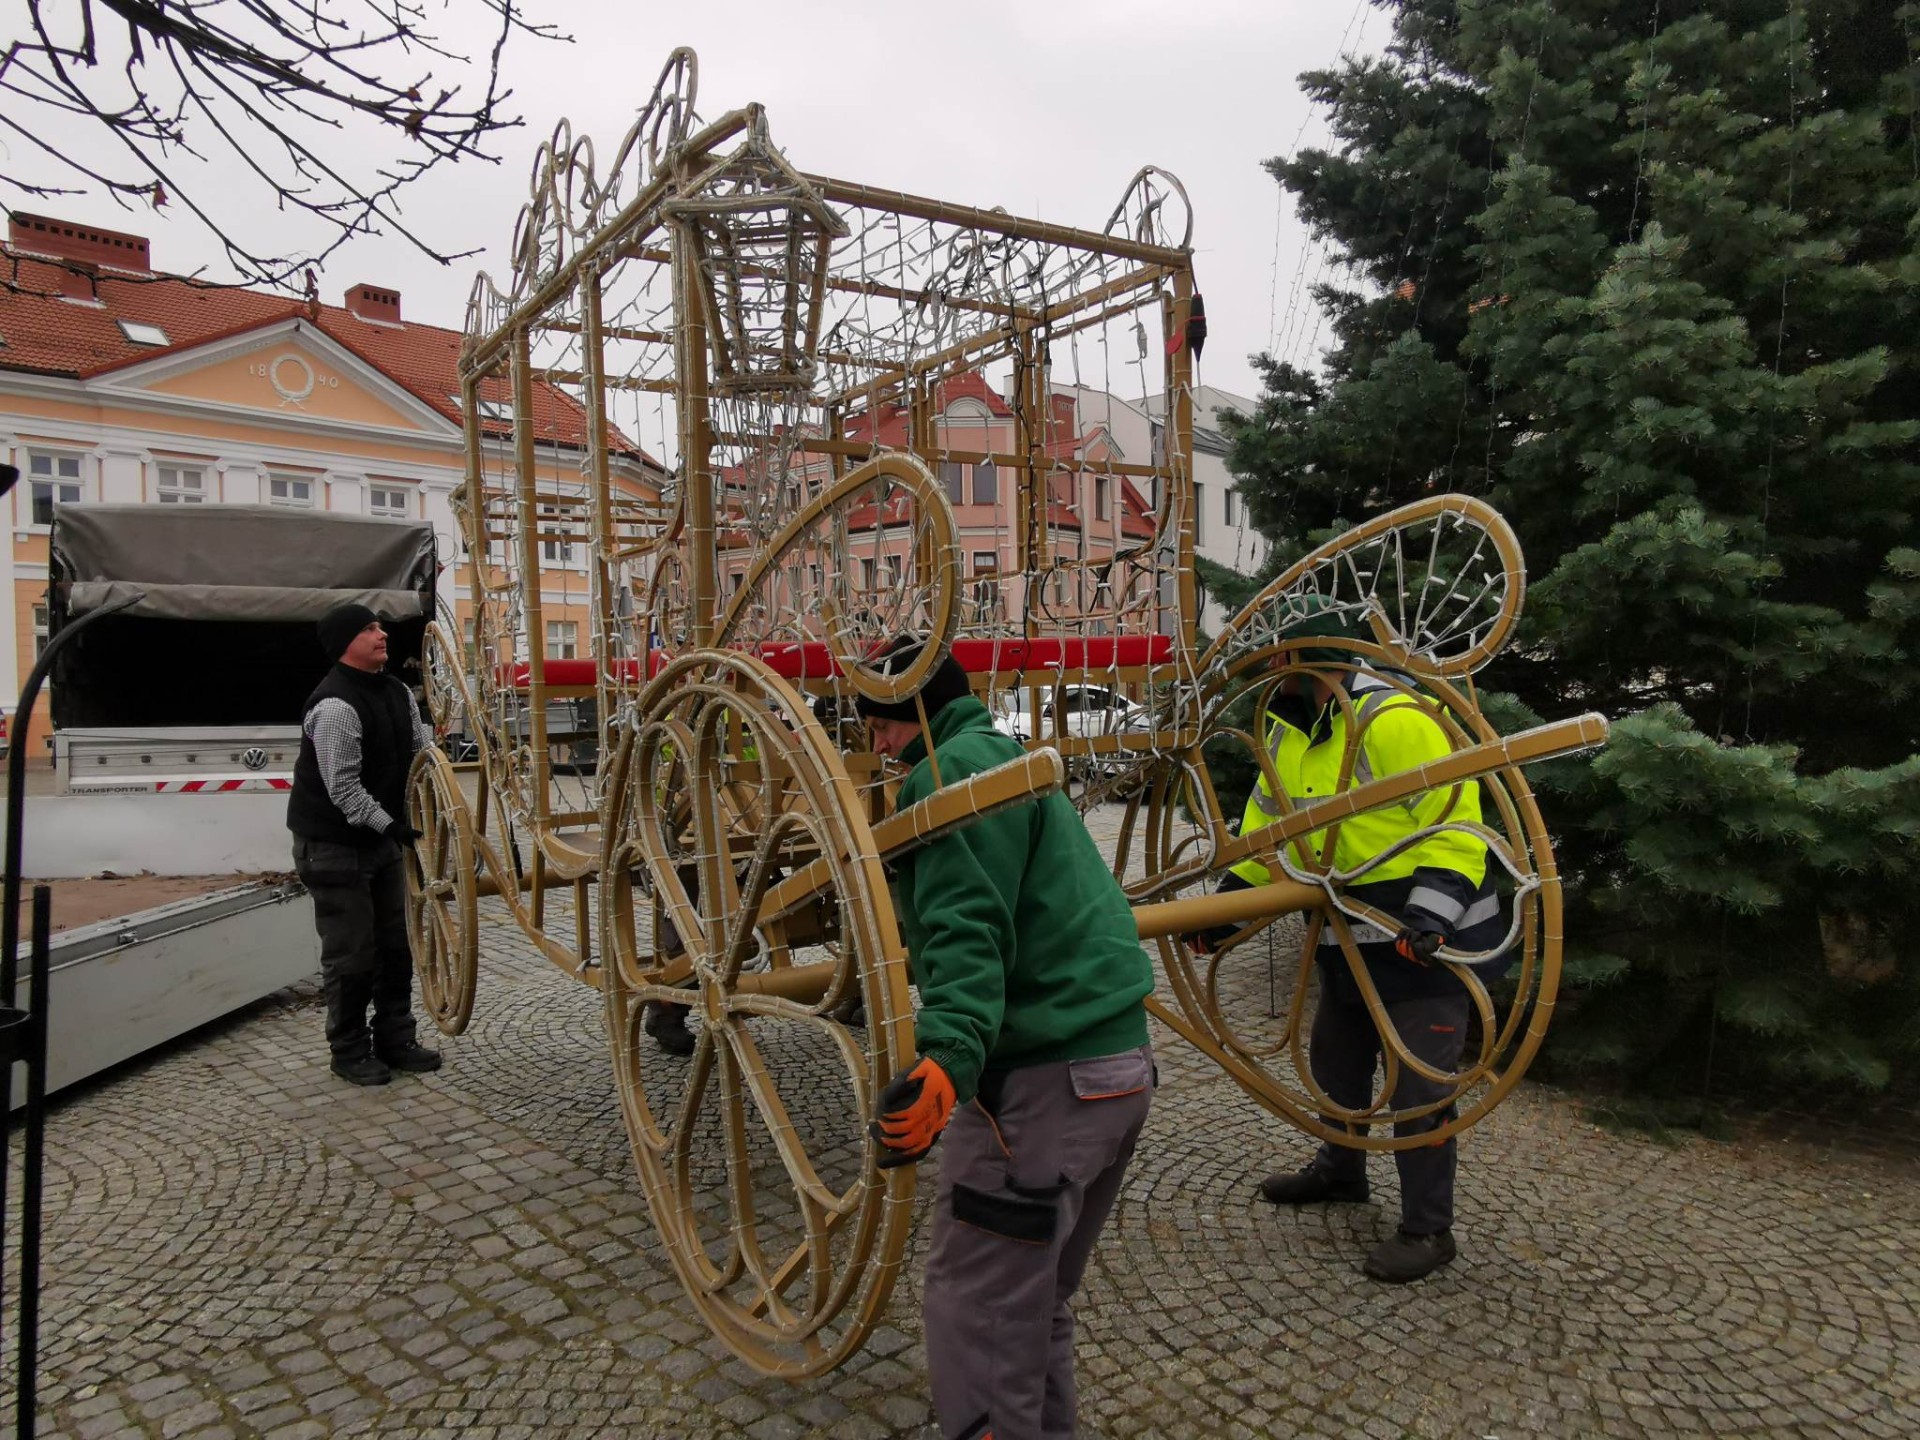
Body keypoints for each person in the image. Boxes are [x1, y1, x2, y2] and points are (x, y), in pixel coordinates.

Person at [858, 638, 1155, 1440]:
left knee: (982, 1313)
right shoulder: (999, 755)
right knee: (1031, 1307)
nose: (878, 745)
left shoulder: (949, 775)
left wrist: (947, 1060)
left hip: (1042, 1089)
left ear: (914, 709)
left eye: (881, 724)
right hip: (1117, 1070)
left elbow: (967, 927)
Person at [1196, 604, 1506, 1283]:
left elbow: (1456, 822)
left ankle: (1429, 1230)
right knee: (1336, 1064)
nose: (1272, 672)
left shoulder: (1394, 721)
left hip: (1427, 940)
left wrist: (1431, 917)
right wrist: (1222, 911)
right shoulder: (1284, 732)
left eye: (1282, 660)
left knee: (1418, 1088)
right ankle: (1341, 1172)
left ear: (1318, 661)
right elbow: (1263, 836)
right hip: (1345, 932)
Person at [287, 602, 443, 1086]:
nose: (382, 635)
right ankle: (349, 1050)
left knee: (394, 946)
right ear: (345, 643)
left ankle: (396, 1039)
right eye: (369, 629)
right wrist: (391, 825)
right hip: (334, 846)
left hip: (379, 841)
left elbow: (420, 753)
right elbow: (343, 788)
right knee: (352, 953)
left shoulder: (396, 690)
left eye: (380, 626)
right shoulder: (335, 705)